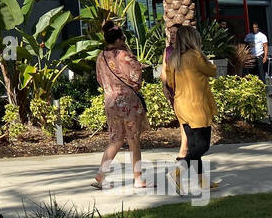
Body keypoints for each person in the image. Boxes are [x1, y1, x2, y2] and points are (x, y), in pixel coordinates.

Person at [162, 25, 221, 194]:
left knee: (194, 145)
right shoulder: (195, 56)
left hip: (181, 105)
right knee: (202, 146)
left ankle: (203, 182)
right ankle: (177, 172)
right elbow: (212, 71)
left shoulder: (173, 58)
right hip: (196, 106)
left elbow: (170, 82)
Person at [92, 22, 148, 190]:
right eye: (122, 38)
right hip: (127, 102)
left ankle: (101, 175)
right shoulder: (124, 55)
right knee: (133, 140)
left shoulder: (100, 56)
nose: (124, 40)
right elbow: (136, 74)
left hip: (110, 101)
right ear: (117, 40)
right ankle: (138, 179)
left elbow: (100, 80)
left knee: (115, 139)